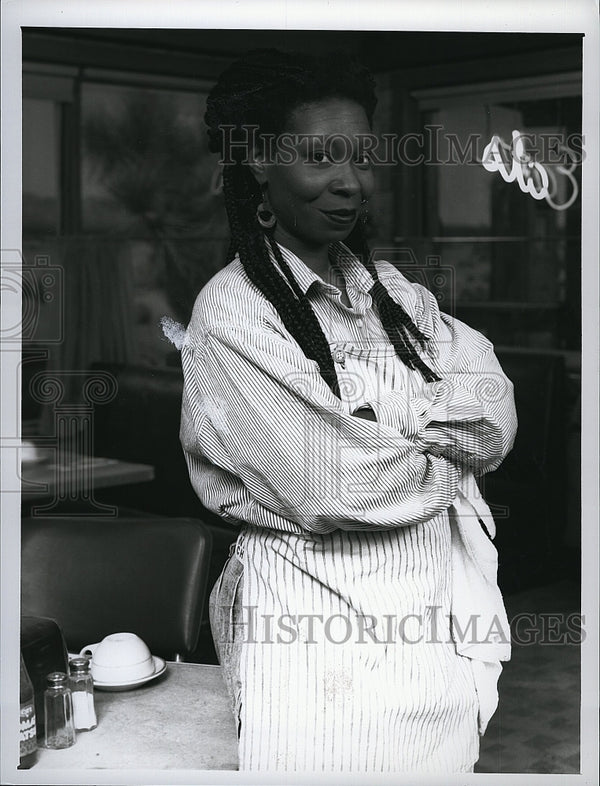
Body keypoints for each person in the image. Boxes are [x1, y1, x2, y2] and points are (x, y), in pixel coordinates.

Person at [180, 48, 517, 772]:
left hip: (435, 636)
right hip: (317, 651)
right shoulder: (233, 316)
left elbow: (494, 406)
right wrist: (439, 450)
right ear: (260, 167)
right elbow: (335, 482)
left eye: (360, 158)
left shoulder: (393, 293)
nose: (348, 183)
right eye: (319, 156)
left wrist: (387, 444)